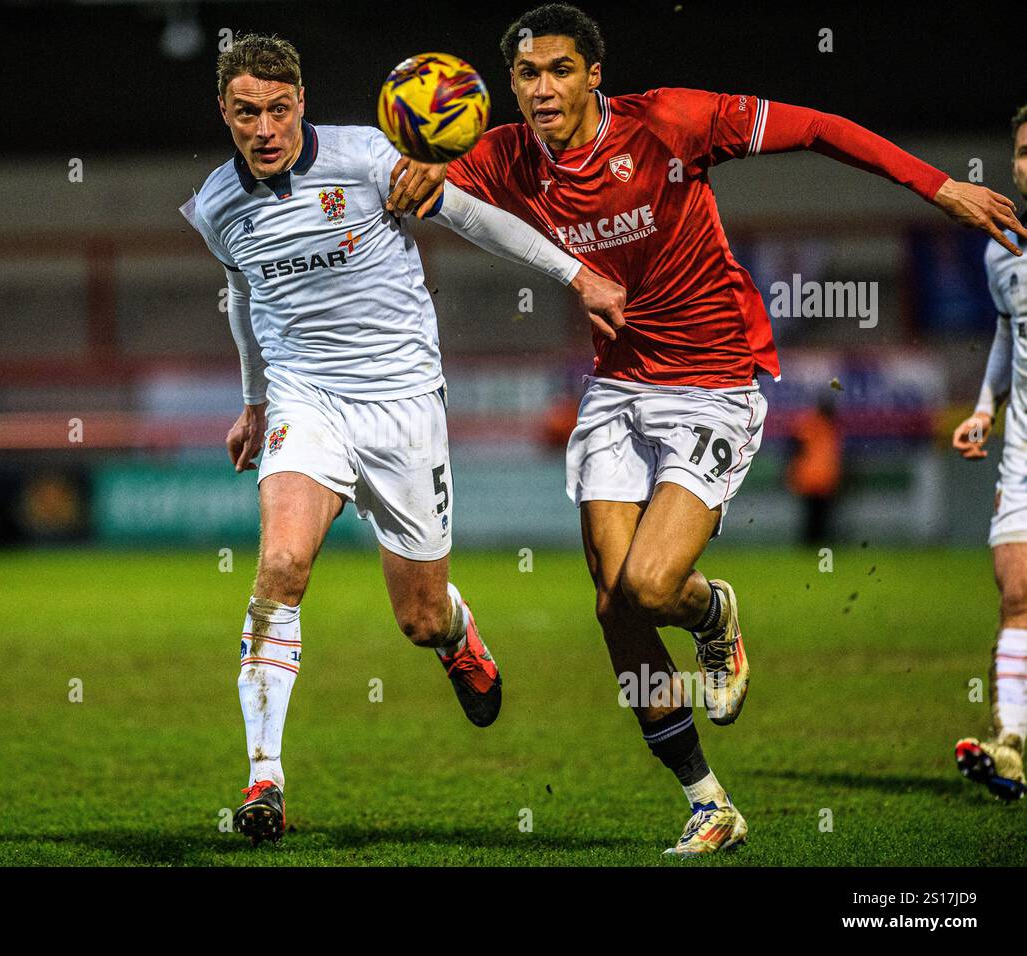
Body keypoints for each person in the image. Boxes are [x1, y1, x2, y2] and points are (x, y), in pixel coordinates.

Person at [387, 3, 1027, 853]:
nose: (544, 88)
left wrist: (937, 184)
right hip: (617, 387)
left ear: (593, 74)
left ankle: (714, 616)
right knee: (614, 603)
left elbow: (821, 128)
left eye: (561, 69)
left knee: (654, 587)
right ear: (509, 85)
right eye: (528, 74)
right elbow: (413, 178)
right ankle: (707, 801)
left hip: (715, 380)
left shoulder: (671, 122)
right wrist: (413, 172)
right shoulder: (502, 155)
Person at [180, 33, 625, 845]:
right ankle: (264, 779)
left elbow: (480, 221)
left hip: (401, 401)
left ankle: (458, 635)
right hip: (304, 400)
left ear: (302, 105)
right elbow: (240, 295)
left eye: (280, 109)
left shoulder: (373, 158)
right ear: (225, 114)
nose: (266, 127)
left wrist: (577, 276)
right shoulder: (217, 205)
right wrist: (254, 400)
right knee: (280, 566)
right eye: (248, 112)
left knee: (418, 616)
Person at [950, 103, 1027, 802]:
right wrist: (984, 408)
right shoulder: (1000, 244)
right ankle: (1010, 746)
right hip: (1024, 451)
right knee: (1016, 591)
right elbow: (1009, 334)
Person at [786, 395, 843, 545]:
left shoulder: (814, 424)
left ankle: (813, 545)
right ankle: (815, 545)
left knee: (816, 516)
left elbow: (796, 447)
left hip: (816, 477)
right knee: (817, 516)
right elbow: (797, 446)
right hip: (816, 478)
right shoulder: (818, 425)